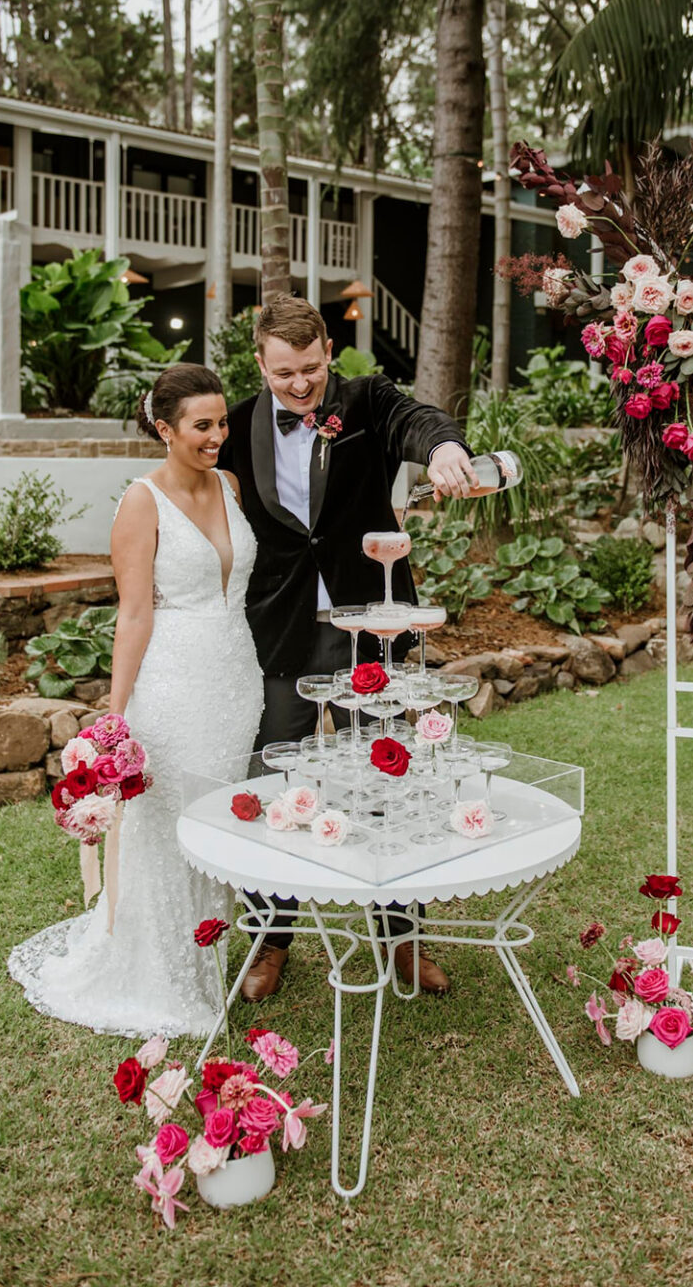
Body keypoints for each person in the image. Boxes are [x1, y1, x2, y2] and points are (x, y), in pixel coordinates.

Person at [219, 295, 476, 1002]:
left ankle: (401, 935)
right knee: (274, 782)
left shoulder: (365, 401)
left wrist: (447, 449)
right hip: (282, 629)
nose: (299, 386)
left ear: (329, 350)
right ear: (260, 364)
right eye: (282, 375)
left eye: (309, 369)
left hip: (374, 627)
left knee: (388, 779)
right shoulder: (240, 423)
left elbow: (417, 422)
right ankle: (270, 940)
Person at [8, 364, 263, 1037]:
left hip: (237, 679)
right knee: (166, 827)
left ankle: (207, 956)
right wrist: (115, 719)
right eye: (201, 426)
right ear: (164, 429)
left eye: (222, 423)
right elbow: (133, 613)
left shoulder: (231, 485)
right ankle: (157, 973)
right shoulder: (141, 502)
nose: (217, 437)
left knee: (214, 822)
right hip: (174, 685)